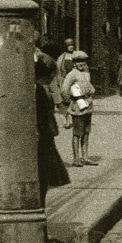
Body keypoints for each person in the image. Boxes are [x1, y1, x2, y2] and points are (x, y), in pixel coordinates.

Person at [34, 53, 69, 205]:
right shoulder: (38, 91)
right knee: (42, 179)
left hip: (44, 138)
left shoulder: (39, 89)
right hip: (42, 140)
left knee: (44, 179)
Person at [61, 50, 97, 166]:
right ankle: (76, 158)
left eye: (83, 61)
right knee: (77, 133)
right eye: (78, 61)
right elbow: (64, 89)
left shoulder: (86, 73)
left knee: (86, 132)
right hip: (77, 106)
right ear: (74, 63)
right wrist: (70, 101)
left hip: (87, 104)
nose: (81, 63)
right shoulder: (72, 74)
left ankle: (85, 157)